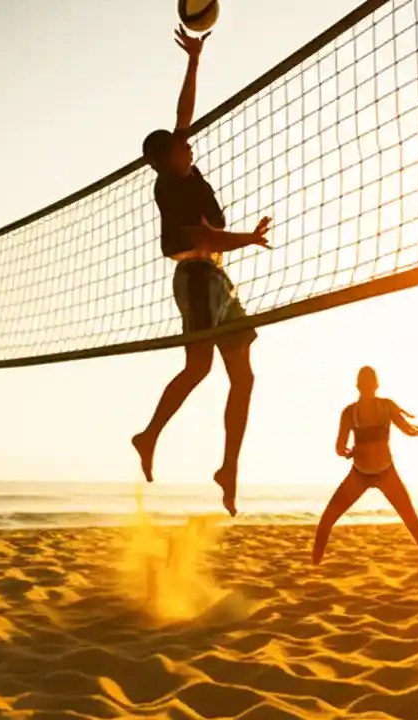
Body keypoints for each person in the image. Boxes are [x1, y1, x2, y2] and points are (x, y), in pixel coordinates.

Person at [131, 27, 271, 517]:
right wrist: (249, 239)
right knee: (198, 368)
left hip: (219, 279)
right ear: (164, 161)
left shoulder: (182, 167)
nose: (189, 149)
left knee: (244, 377)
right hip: (194, 276)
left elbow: (182, 116)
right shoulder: (171, 189)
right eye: (180, 148)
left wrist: (195, 59)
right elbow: (205, 239)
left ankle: (228, 468)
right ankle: (148, 435)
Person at [312, 367, 418, 575]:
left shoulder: (387, 407)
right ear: (363, 386)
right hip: (359, 475)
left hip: (386, 474)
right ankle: (315, 564)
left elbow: (405, 427)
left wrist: (414, 431)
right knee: (328, 519)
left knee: (412, 522)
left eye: (368, 385)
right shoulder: (350, 412)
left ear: (373, 386)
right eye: (365, 385)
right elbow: (339, 446)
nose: (367, 388)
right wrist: (346, 452)